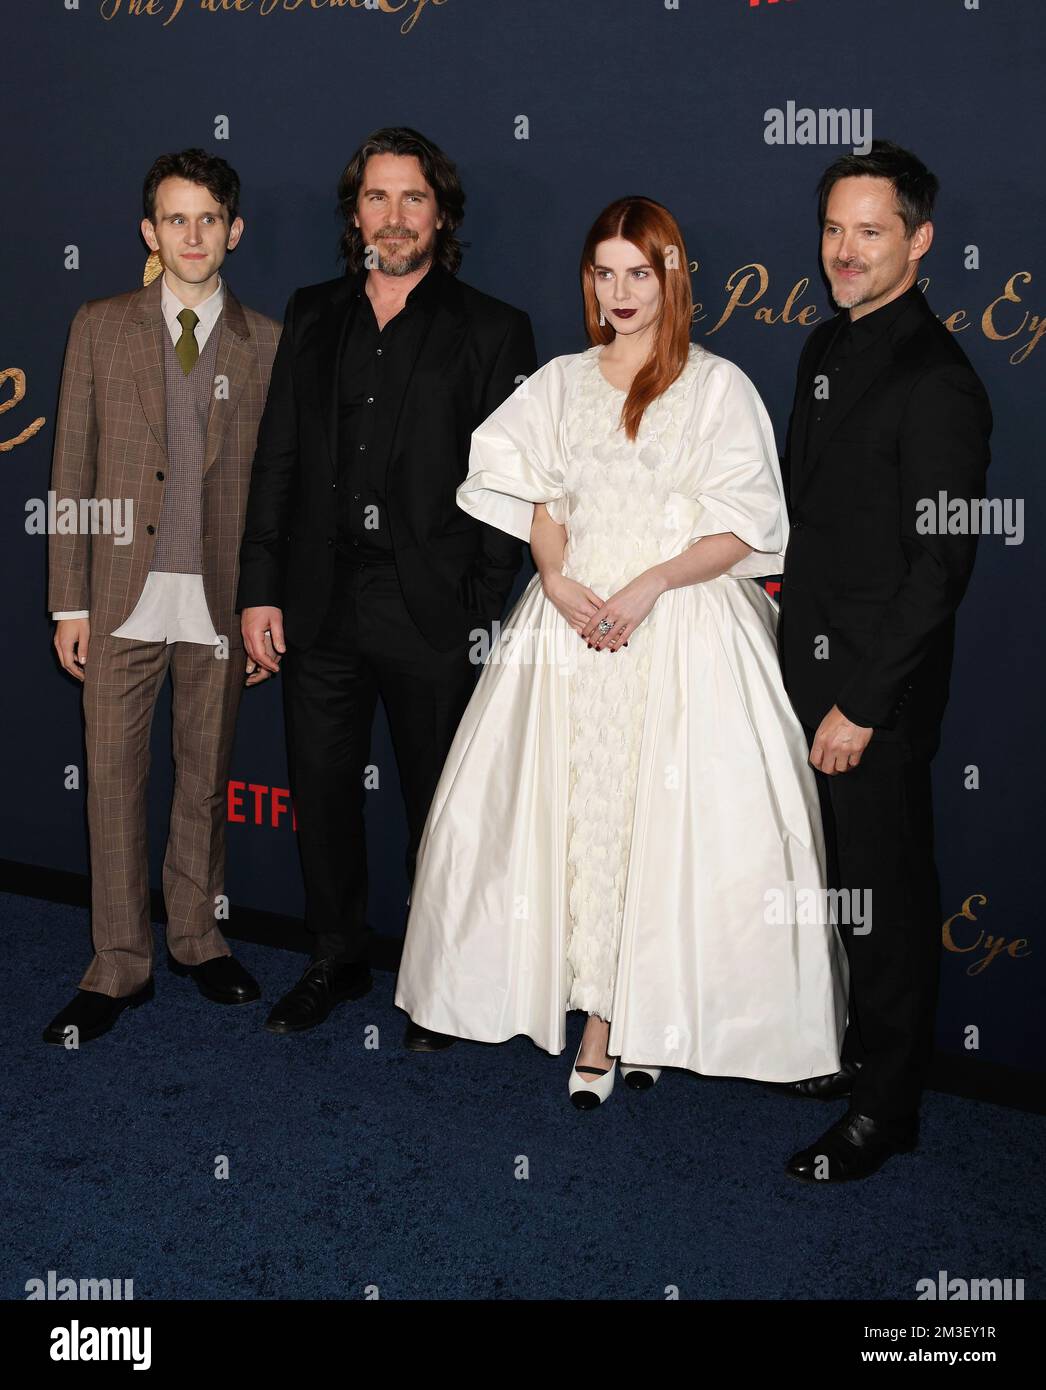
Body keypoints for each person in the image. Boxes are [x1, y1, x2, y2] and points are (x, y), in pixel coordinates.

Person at [396, 196, 847, 1109]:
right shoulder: (561, 381)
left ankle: (631, 1020)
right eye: (604, 272)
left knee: (669, 827)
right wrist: (556, 581)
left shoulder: (717, 387)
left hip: (681, 625)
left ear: (672, 276)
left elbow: (746, 528)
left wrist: (649, 587)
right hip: (571, 627)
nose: (621, 290)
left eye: (640, 272)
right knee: (574, 818)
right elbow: (541, 501)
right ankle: (589, 1012)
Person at [238, 128, 536, 1037]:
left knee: (439, 803)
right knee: (321, 790)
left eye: (413, 198)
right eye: (377, 197)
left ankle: (441, 977)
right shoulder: (312, 313)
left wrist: (481, 602)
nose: (394, 216)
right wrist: (260, 587)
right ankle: (335, 957)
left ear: (440, 213)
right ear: (354, 212)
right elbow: (277, 458)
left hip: (431, 612)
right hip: (321, 599)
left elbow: (512, 482)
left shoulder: (492, 328)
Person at [777, 141, 992, 1181]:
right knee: (836, 892)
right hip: (804, 668)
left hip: (875, 695)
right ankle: (859, 1056)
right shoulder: (823, 347)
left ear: (918, 238)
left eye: (869, 231)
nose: (844, 251)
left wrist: (860, 704)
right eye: (832, 229)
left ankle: (887, 1107)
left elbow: (936, 566)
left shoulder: (937, 381)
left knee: (886, 895)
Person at [44, 149, 281, 1045]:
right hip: (116, 601)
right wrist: (69, 600)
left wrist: (266, 604)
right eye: (174, 220)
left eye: (208, 219)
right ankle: (116, 965)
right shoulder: (99, 326)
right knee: (109, 783)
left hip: (219, 601)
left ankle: (196, 936)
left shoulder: (266, 342)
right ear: (150, 233)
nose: (192, 235)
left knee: (204, 784)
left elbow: (277, 492)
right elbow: (70, 467)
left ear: (234, 231)